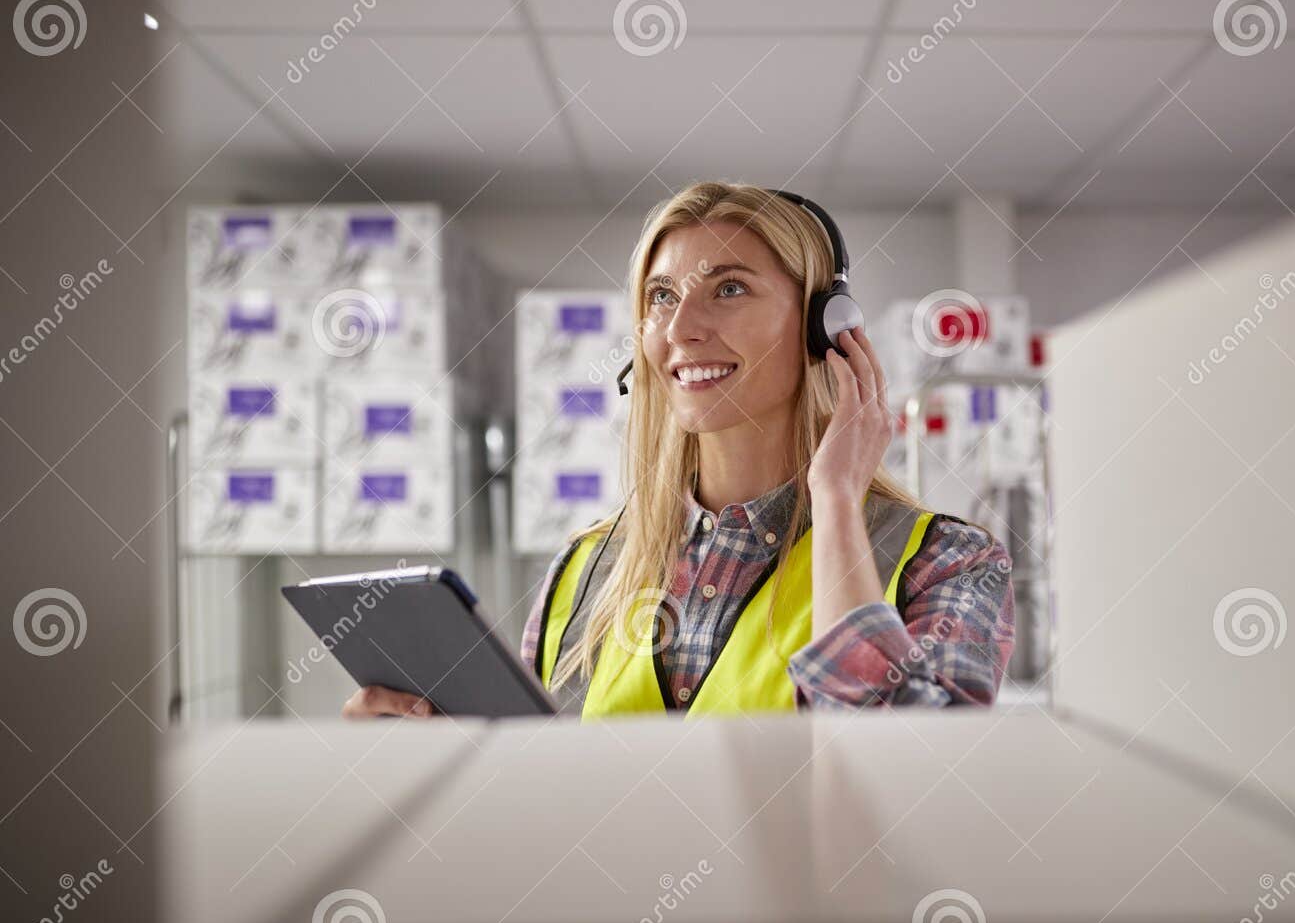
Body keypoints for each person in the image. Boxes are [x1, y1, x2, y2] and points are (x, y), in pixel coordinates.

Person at [344, 181, 1014, 720]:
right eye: (661, 297)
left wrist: (837, 502)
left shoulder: (947, 561)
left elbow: (915, 782)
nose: (681, 328)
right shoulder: (584, 572)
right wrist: (433, 750)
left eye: (729, 288)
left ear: (826, 328)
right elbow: (538, 797)